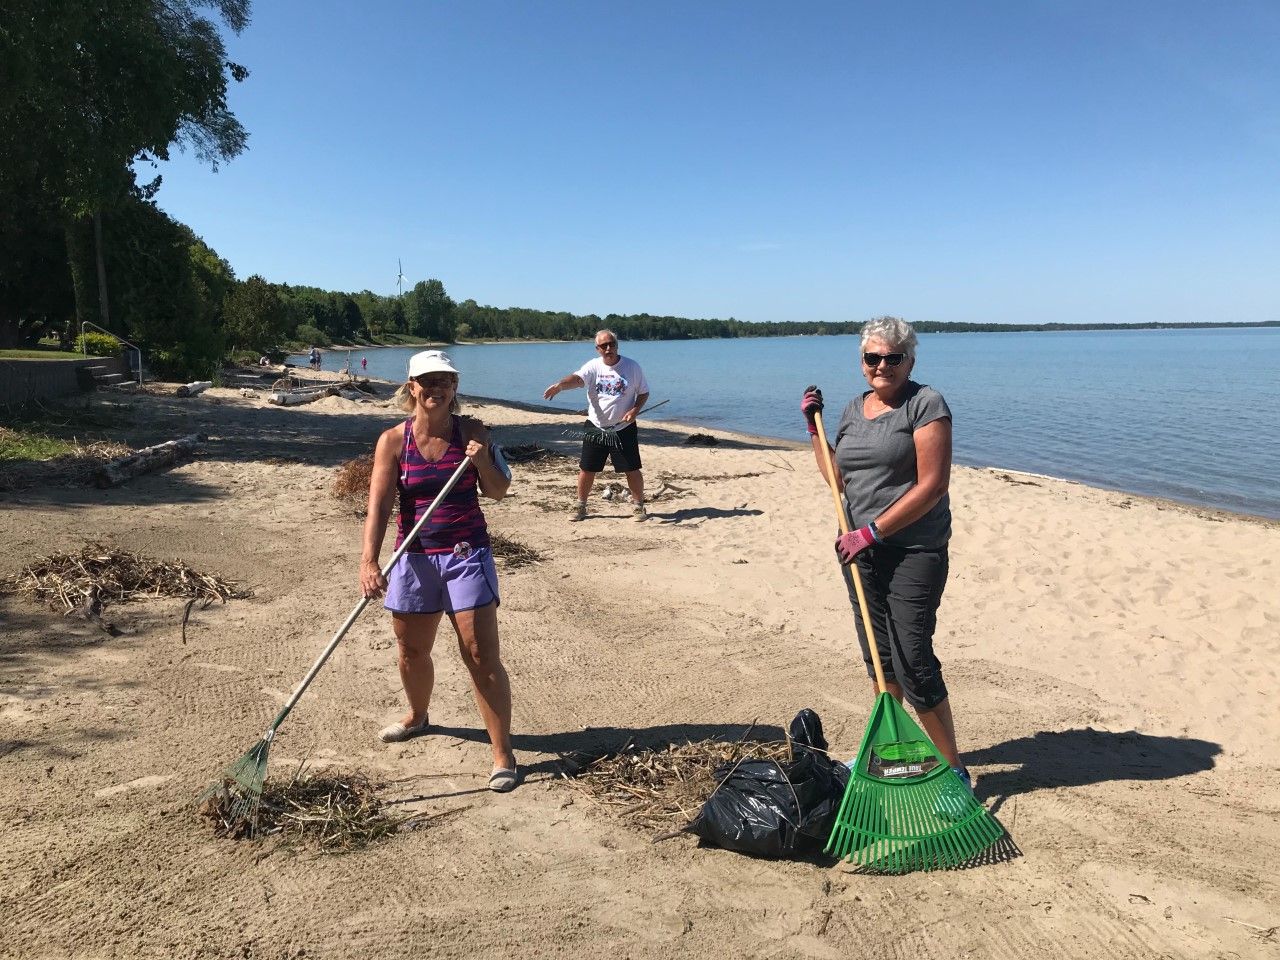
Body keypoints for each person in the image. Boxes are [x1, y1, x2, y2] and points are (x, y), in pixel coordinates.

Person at [801, 317, 972, 797]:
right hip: (858, 553)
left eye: (892, 357)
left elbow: (933, 485)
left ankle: (953, 772)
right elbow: (838, 480)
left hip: (913, 550)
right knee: (879, 661)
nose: (882, 366)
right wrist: (814, 431)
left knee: (913, 659)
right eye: (872, 358)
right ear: (861, 362)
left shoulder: (926, 404)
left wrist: (873, 531)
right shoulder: (854, 410)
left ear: (910, 360)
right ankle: (891, 752)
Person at [360, 350, 519, 792]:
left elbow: (500, 491)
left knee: (480, 654)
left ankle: (502, 752)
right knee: (411, 650)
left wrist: (482, 460)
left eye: (444, 381)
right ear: (411, 387)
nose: (435, 388)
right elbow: (378, 506)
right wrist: (369, 561)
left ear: (454, 387)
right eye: (426, 381)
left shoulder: (473, 431)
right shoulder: (393, 441)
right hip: (413, 557)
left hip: (467, 553)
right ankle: (418, 716)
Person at [542, 330, 650, 521]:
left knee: (631, 469)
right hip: (596, 427)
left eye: (611, 344)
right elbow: (576, 380)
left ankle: (639, 506)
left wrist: (635, 410)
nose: (608, 349)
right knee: (587, 469)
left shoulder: (632, 367)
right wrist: (559, 385)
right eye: (603, 346)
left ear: (617, 345)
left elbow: (643, 393)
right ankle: (581, 507)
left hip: (623, 428)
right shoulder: (592, 367)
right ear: (597, 349)